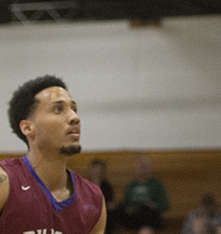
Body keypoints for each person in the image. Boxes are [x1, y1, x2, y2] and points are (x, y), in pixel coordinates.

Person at [1, 75, 107, 234]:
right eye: (58, 109)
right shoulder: (5, 182)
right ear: (28, 128)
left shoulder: (94, 198)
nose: (75, 117)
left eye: (74, 109)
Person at [113, 156, 170, 232]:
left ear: (149, 169)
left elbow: (165, 205)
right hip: (134, 215)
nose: (142, 170)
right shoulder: (131, 185)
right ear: (136, 169)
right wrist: (127, 208)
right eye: (140, 167)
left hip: (150, 216)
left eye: (144, 167)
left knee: (146, 210)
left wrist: (154, 205)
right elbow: (125, 202)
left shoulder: (156, 184)